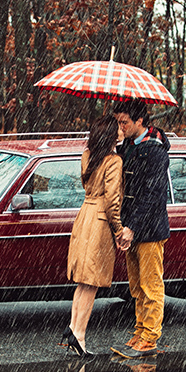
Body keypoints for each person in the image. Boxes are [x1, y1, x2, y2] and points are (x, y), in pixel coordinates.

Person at [112, 98, 170, 357]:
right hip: (131, 229)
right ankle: (140, 331)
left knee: (150, 285)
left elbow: (151, 194)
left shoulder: (155, 151)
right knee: (136, 286)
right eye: (118, 122)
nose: (120, 127)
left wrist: (132, 227)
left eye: (124, 122)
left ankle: (150, 338)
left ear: (139, 121)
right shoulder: (127, 146)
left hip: (149, 230)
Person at [63, 114, 123, 357]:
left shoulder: (88, 155)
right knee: (92, 282)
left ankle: (73, 327)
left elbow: (87, 185)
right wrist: (119, 229)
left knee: (83, 281)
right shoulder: (114, 161)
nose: (122, 130)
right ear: (110, 135)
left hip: (84, 215)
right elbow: (112, 200)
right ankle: (79, 335)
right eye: (118, 127)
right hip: (99, 222)